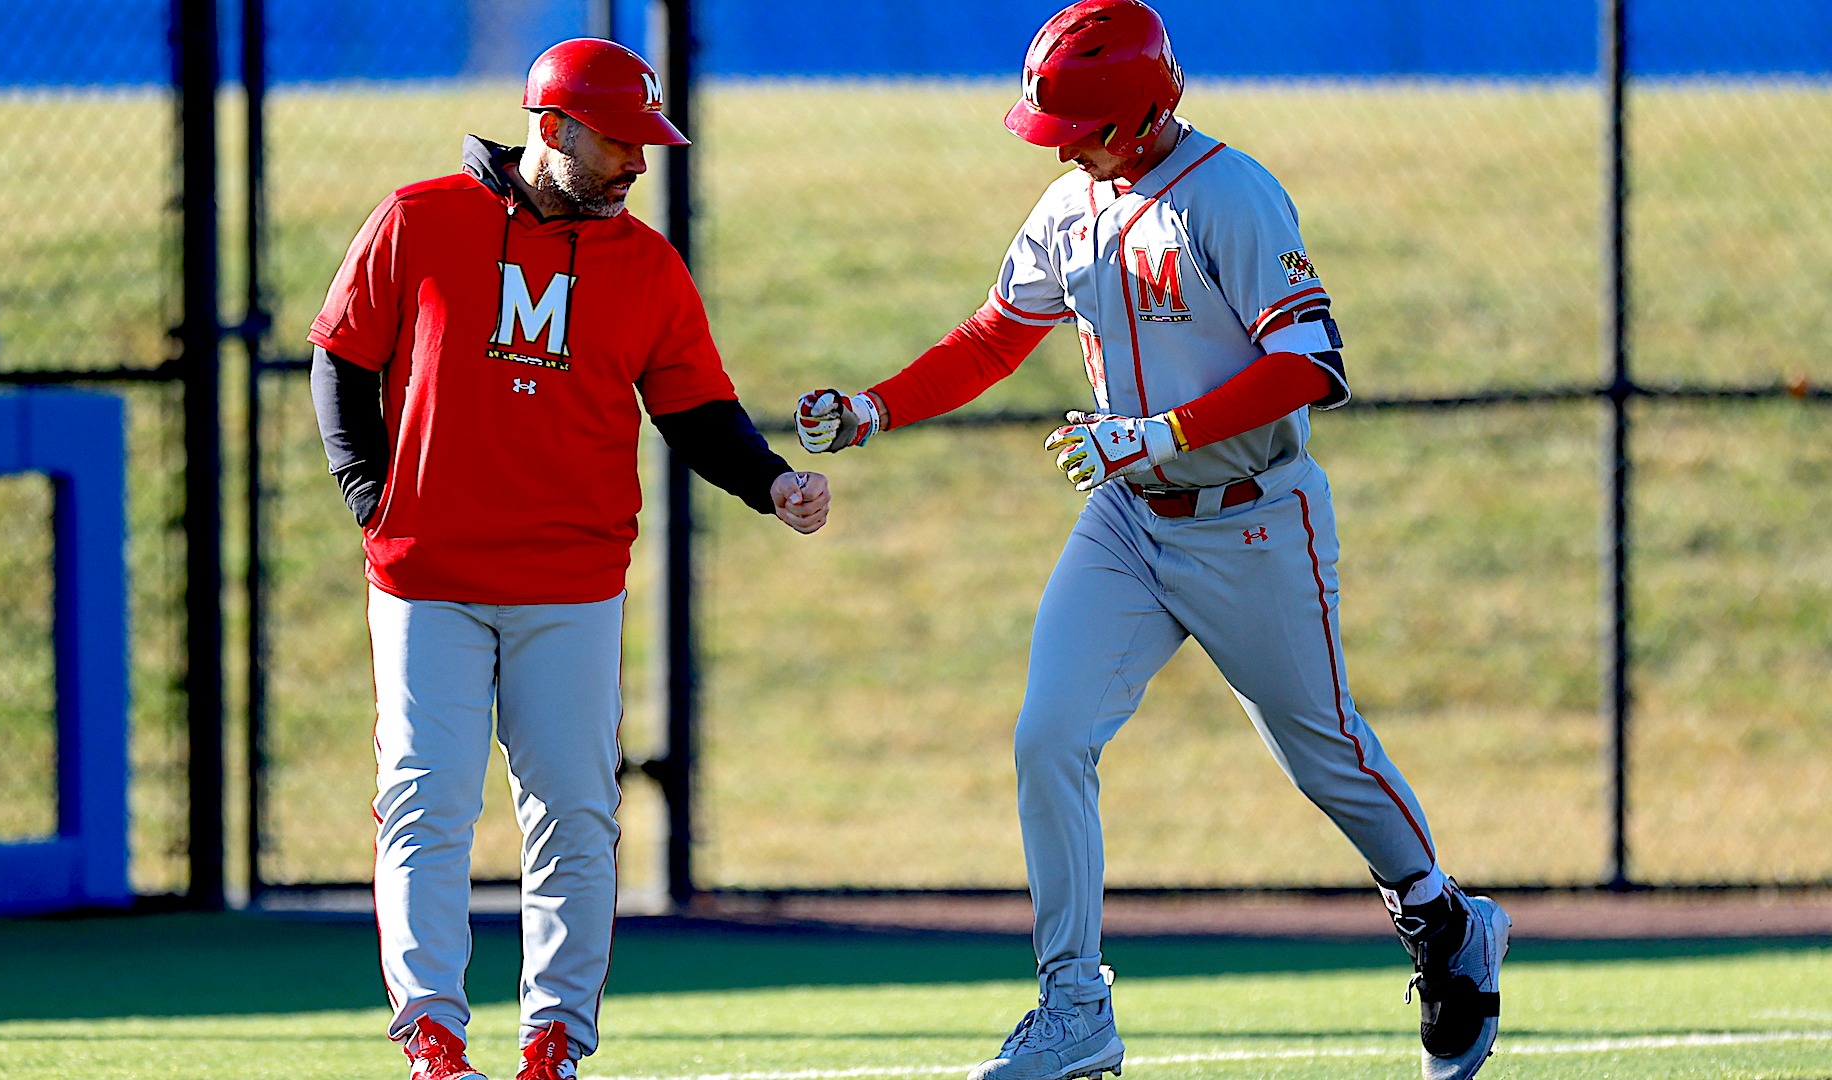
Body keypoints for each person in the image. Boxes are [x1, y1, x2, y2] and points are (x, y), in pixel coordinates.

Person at [792, 3, 1506, 1079]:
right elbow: (994, 335)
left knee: (1323, 752)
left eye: (1078, 128)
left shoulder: (1231, 194)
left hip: (1253, 517)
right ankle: (1075, 1004)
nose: (1060, 148)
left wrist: (1161, 430)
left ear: (1139, 115)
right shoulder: (1069, 204)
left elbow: (1311, 364)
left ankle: (1442, 920)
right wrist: (875, 407)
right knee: (1049, 737)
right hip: (1129, 518)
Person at [309, 38, 829, 1080]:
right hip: (427, 580)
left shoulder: (646, 264)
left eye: (646, 144)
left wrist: (770, 481)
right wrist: (373, 499)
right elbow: (342, 358)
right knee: (424, 805)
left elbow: (696, 408)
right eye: (619, 144)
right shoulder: (418, 219)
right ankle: (433, 1040)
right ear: (551, 130)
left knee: (576, 818)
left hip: (573, 585)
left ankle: (553, 1042)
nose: (637, 163)